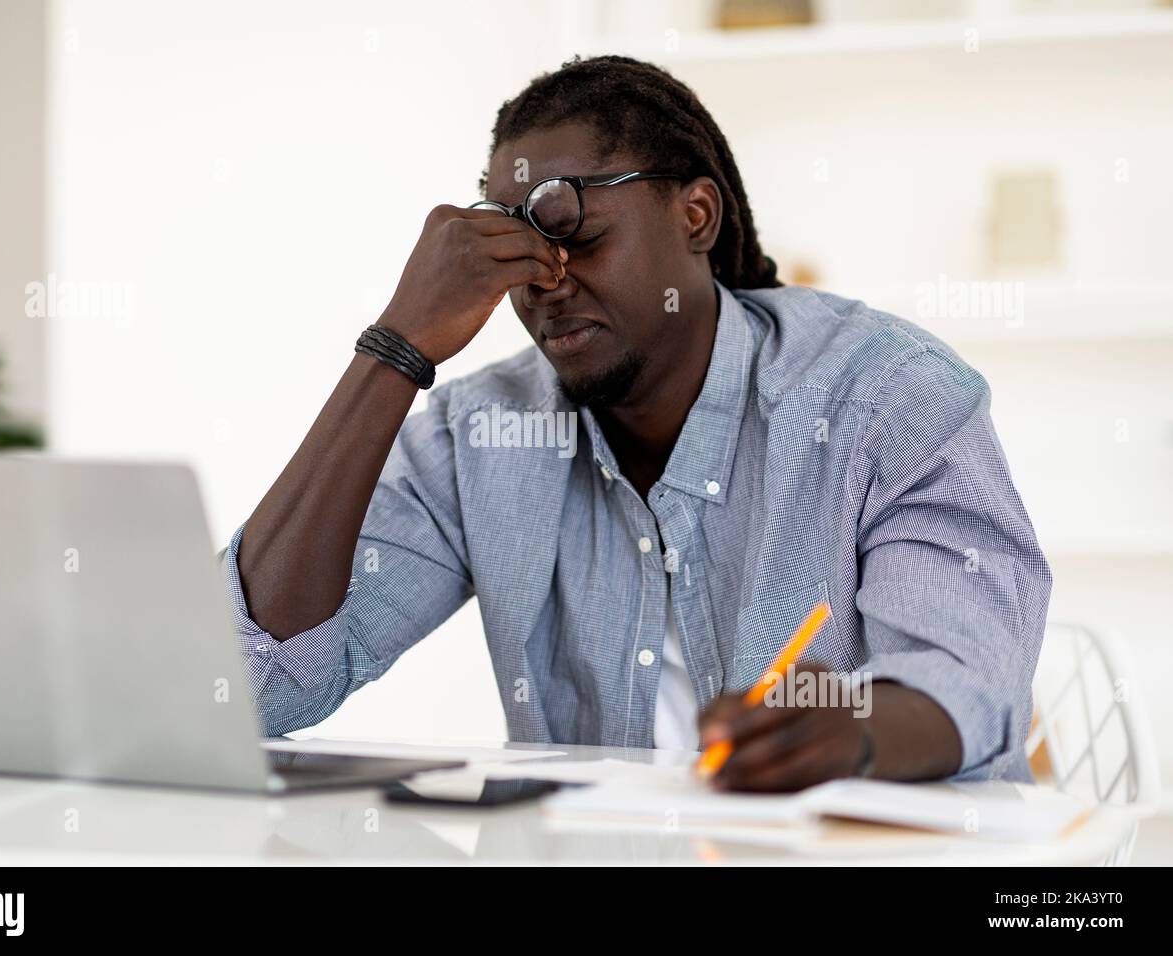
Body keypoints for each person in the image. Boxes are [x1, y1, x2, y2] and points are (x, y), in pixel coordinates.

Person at [223, 55, 1051, 791]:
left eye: (569, 228)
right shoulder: (478, 435)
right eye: (506, 244)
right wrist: (394, 349)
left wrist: (850, 733)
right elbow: (254, 689)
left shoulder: (883, 397)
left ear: (696, 216)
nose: (542, 278)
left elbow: (968, 681)